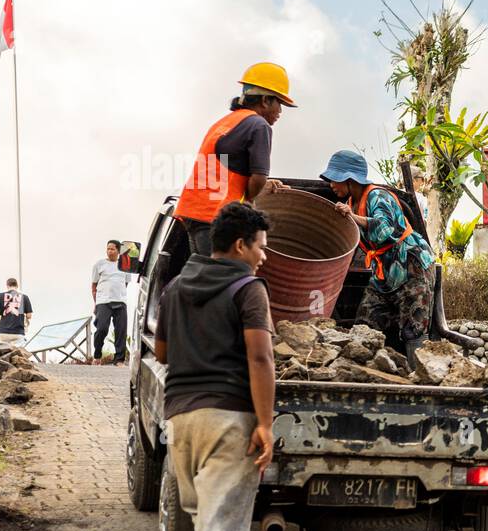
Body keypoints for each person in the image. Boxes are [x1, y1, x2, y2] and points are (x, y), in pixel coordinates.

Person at [154, 202, 275, 531]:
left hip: (182, 419)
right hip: (229, 417)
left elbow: (163, 354)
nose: (264, 255)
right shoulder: (249, 288)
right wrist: (265, 422)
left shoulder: (176, 288)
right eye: (261, 246)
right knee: (220, 524)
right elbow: (260, 357)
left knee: (207, 518)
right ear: (241, 244)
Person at [321, 150, 436, 361]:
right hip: (384, 273)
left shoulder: (378, 196)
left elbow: (385, 230)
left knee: (413, 329)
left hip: (412, 267)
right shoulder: (349, 204)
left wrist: (353, 217)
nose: (331, 185)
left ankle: (419, 379)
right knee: (364, 326)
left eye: (334, 180)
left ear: (349, 179)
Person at [175, 62, 296, 256]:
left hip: (194, 210)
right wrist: (257, 189)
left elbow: (224, 171)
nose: (280, 112)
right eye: (279, 103)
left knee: (205, 275)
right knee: (220, 277)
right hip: (215, 215)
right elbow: (258, 178)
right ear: (265, 100)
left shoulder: (226, 121)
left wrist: (262, 185)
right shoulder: (259, 125)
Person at [91, 239, 131, 365]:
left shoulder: (125, 265)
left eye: (112, 249)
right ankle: (97, 355)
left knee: (121, 331)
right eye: (108, 248)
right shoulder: (99, 264)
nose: (109, 251)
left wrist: (119, 293)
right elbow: (94, 286)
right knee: (101, 328)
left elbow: (126, 283)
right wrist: (96, 303)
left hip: (120, 301)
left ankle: (119, 360)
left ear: (118, 251)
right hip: (103, 301)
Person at [0, 278, 32, 349]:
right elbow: (29, 316)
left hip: (2, 332)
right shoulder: (24, 297)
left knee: (0, 355)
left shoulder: (0, 296)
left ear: (7, 286)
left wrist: (0, 314)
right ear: (17, 286)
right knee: (17, 356)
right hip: (18, 332)